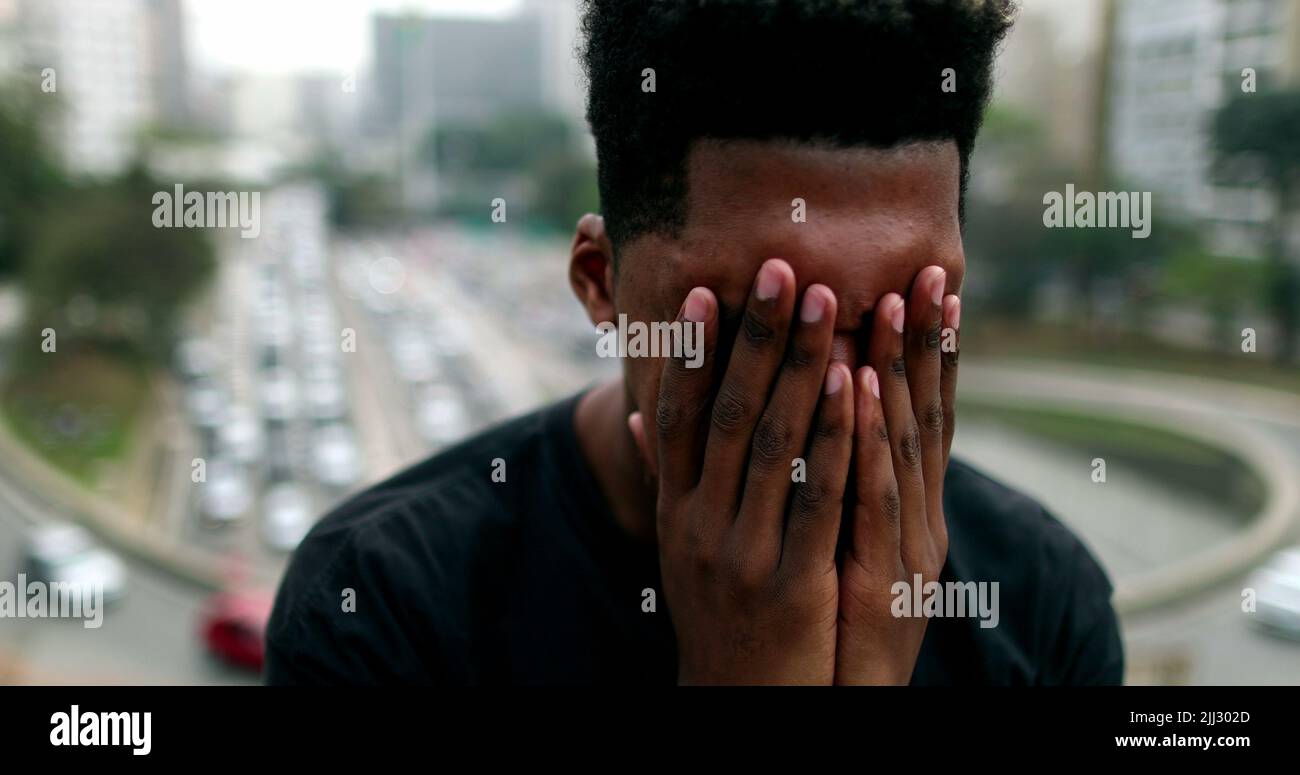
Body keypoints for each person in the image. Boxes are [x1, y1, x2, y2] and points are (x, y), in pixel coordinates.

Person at [266, 0, 1123, 685]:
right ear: (601, 283)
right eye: (766, 326)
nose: (833, 395)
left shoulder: (1044, 599)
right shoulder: (378, 608)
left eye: (903, 320)